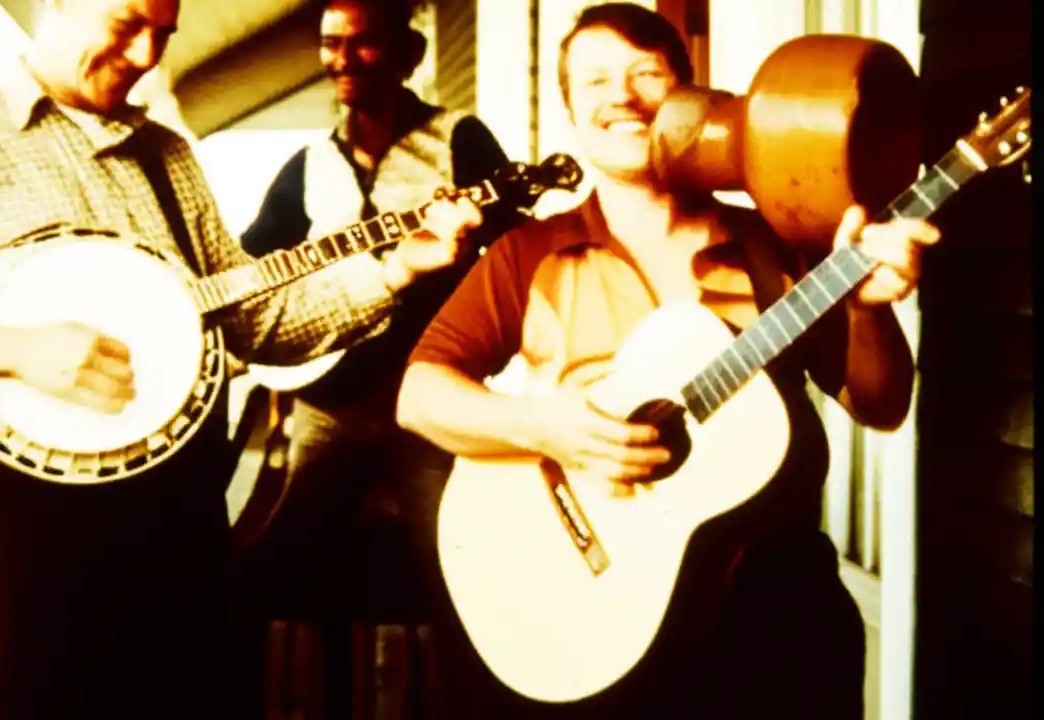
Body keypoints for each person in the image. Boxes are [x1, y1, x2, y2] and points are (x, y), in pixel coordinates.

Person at [0, 0, 481, 717]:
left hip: (185, 510)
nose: (144, 58)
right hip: (52, 529)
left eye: (161, 36)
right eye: (127, 26)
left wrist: (395, 272)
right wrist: (0, 348)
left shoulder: (167, 154)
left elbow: (258, 321)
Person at [396, 3, 940, 719]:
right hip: (614, 616)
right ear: (571, 110)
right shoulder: (526, 254)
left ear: (687, 93)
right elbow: (420, 395)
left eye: (646, 75)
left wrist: (868, 308)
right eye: (594, 82)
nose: (621, 97)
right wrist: (550, 428)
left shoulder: (773, 242)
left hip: (775, 620)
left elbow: (882, 404)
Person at [229, 0, 517, 716]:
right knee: (275, 558)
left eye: (363, 44)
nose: (343, 60)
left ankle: (480, 702)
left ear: (406, 54)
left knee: (457, 566)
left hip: (431, 396)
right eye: (331, 43)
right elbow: (251, 265)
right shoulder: (308, 164)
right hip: (330, 400)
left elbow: (514, 247)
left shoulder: (458, 139)